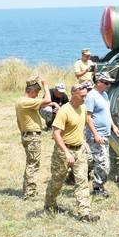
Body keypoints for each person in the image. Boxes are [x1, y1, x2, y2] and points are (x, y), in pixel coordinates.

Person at [44, 83, 99, 222]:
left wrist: (89, 138)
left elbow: (84, 122)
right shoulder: (64, 111)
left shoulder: (83, 107)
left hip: (79, 151)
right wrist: (66, 152)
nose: (84, 98)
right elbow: (56, 134)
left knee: (82, 181)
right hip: (63, 152)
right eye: (82, 96)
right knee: (57, 181)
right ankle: (50, 205)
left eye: (85, 96)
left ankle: (84, 213)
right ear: (73, 94)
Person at [15, 76, 52, 199]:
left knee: (30, 163)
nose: (36, 95)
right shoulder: (26, 101)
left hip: (26, 135)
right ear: (31, 90)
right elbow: (47, 100)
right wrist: (46, 85)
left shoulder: (20, 101)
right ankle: (30, 193)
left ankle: (28, 189)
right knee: (33, 164)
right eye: (36, 92)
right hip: (32, 137)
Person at [85, 72, 119, 198]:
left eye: (109, 83)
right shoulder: (91, 96)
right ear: (98, 82)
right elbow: (88, 118)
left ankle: (89, 178)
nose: (108, 85)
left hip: (105, 134)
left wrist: (113, 126)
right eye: (106, 83)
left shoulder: (104, 94)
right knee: (103, 164)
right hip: (97, 135)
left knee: (98, 161)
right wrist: (95, 134)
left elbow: (107, 112)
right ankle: (97, 187)